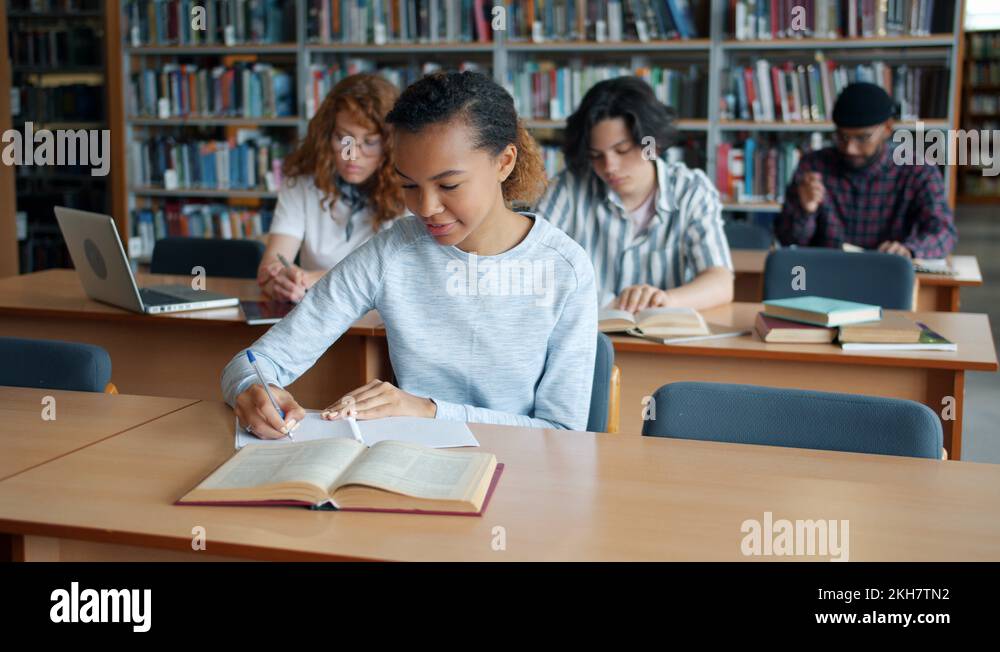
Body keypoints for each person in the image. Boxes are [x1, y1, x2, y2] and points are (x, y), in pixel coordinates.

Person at [222, 71, 598, 439]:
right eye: (408, 185)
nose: (427, 207)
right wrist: (253, 388)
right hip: (411, 470)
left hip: (521, 476)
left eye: (448, 184)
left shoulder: (566, 269)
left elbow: (562, 434)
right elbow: (254, 362)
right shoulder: (393, 252)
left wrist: (429, 411)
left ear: (504, 162)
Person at [537, 76, 733, 313]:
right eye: (596, 155)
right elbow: (531, 266)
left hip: (660, 340)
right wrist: (610, 303)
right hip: (586, 340)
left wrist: (664, 300)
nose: (609, 167)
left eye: (622, 150)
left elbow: (721, 282)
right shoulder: (568, 188)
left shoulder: (690, 190)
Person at [258, 73, 405, 302]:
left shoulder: (408, 187)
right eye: (343, 139)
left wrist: (312, 279)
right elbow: (270, 267)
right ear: (326, 136)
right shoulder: (301, 182)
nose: (352, 155)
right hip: (319, 313)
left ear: (390, 144)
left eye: (369, 142)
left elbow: (395, 276)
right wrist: (280, 281)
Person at [776, 81, 957, 259]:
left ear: (887, 128)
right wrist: (804, 211)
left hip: (890, 276)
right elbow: (788, 240)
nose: (849, 149)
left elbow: (944, 233)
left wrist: (909, 250)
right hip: (825, 277)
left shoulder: (918, 170)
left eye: (862, 138)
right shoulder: (813, 166)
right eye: (841, 137)